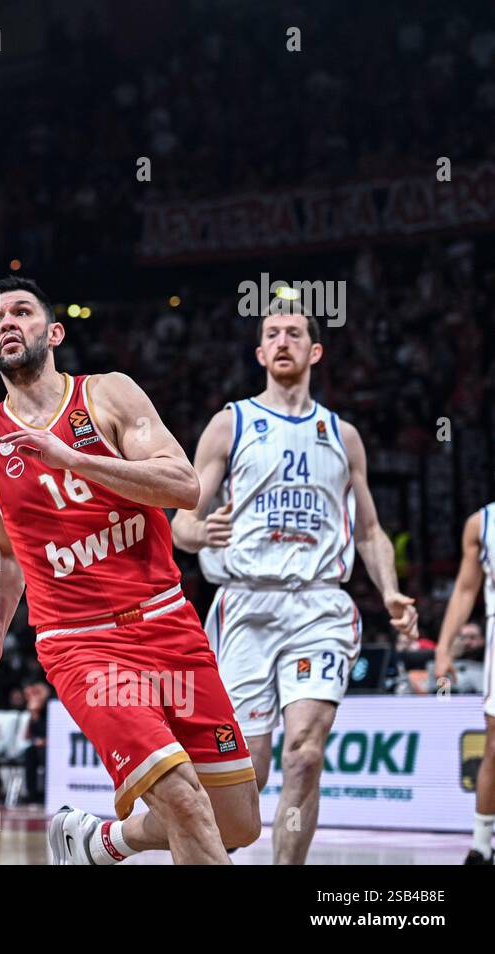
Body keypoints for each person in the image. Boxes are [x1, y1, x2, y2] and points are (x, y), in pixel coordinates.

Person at [0, 276, 260, 865]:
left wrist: (75, 459)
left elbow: (185, 486)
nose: (6, 323)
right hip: (81, 644)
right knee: (183, 801)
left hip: (168, 623)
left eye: (21, 311)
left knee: (236, 822)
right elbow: (2, 548)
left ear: (54, 331)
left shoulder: (109, 395)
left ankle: (100, 842)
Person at [172, 306, 419, 865]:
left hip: (319, 606)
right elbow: (181, 519)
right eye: (271, 334)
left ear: (314, 351)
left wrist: (391, 592)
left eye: (295, 334)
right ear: (260, 354)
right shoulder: (229, 423)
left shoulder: (343, 435)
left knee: (305, 755)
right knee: (246, 775)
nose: (283, 341)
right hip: (246, 605)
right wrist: (197, 532)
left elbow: (372, 531)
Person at [432, 504, 495, 864]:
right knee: (493, 741)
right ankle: (482, 845)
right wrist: (443, 649)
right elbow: (466, 589)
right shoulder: (481, 523)